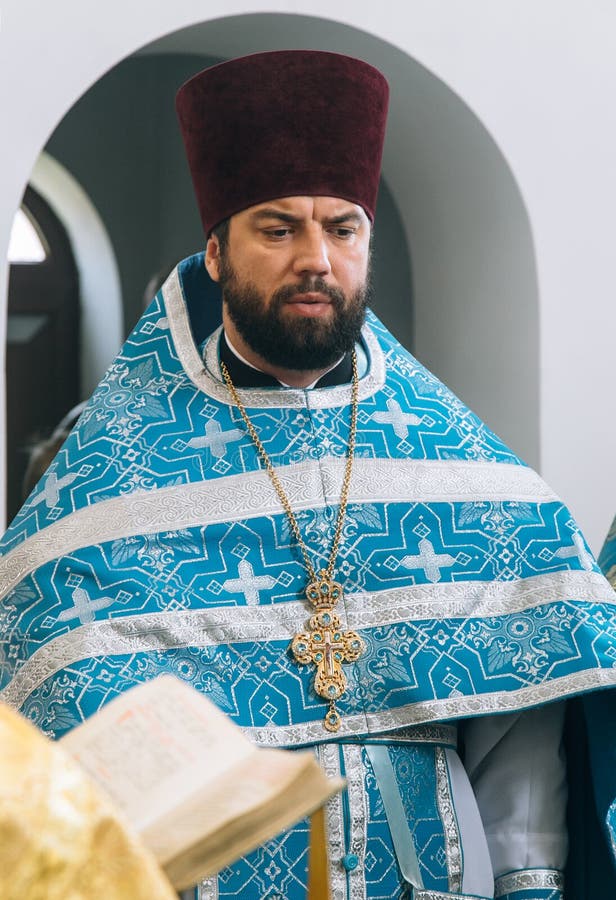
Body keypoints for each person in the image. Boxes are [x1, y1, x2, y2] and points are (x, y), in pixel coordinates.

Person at [1, 50, 616, 900]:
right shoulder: (106, 494)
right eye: (278, 228)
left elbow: (521, 736)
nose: (316, 258)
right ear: (215, 254)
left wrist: (530, 887)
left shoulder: (472, 480)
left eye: (342, 229)